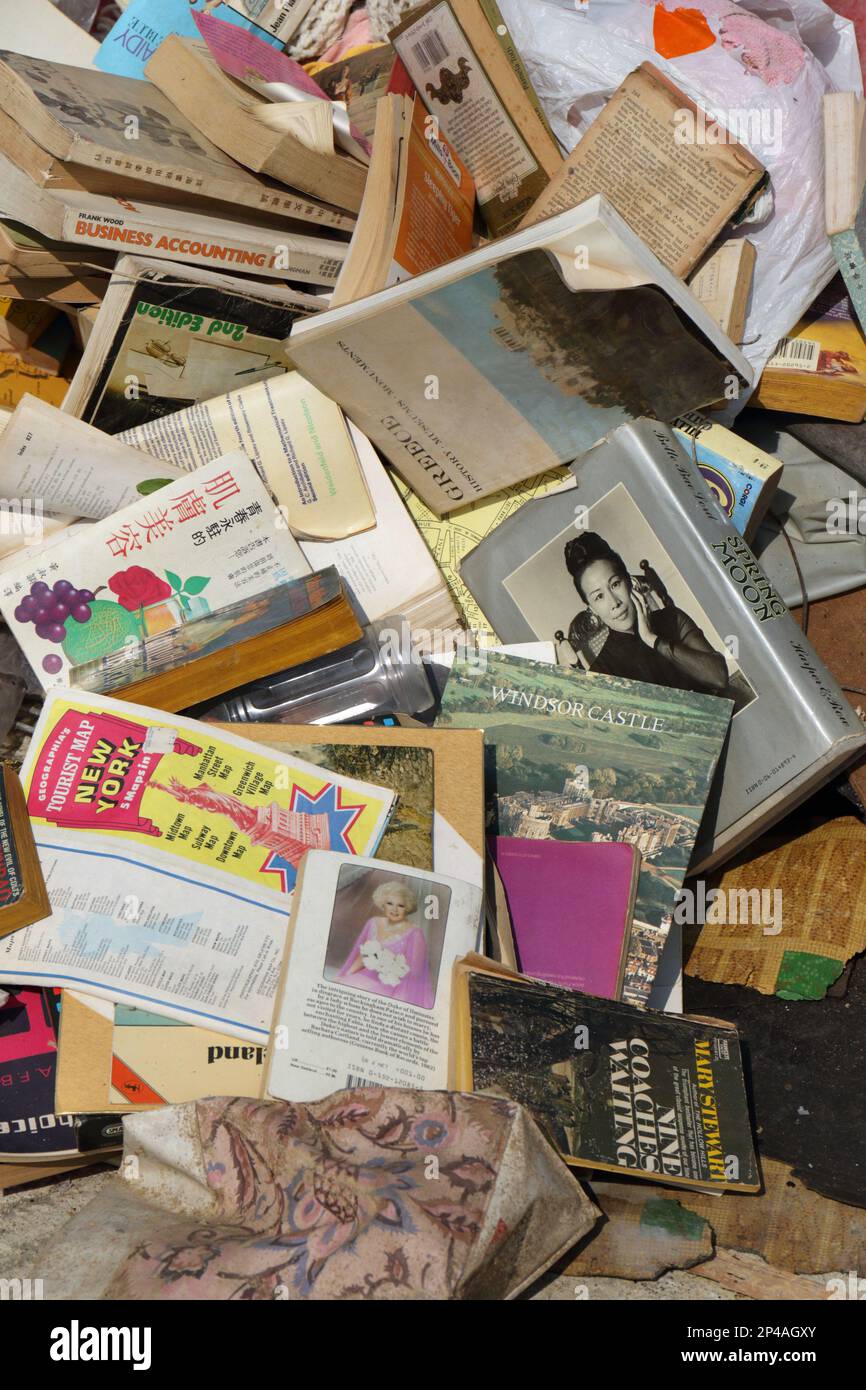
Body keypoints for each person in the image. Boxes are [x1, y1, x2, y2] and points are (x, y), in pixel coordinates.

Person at [563, 532, 730, 698]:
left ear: (629, 581)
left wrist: (653, 640)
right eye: (599, 597)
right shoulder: (600, 673)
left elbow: (719, 678)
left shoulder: (673, 619)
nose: (614, 603)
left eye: (615, 584)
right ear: (592, 608)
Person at [336, 880, 434, 1008]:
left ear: (408, 908)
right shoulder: (373, 922)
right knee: (344, 987)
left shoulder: (415, 933)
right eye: (390, 903)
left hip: (394, 985)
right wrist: (346, 975)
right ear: (383, 904)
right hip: (367, 976)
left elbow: (415, 974)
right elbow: (363, 956)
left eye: (400, 905)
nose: (394, 909)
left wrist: (390, 965)